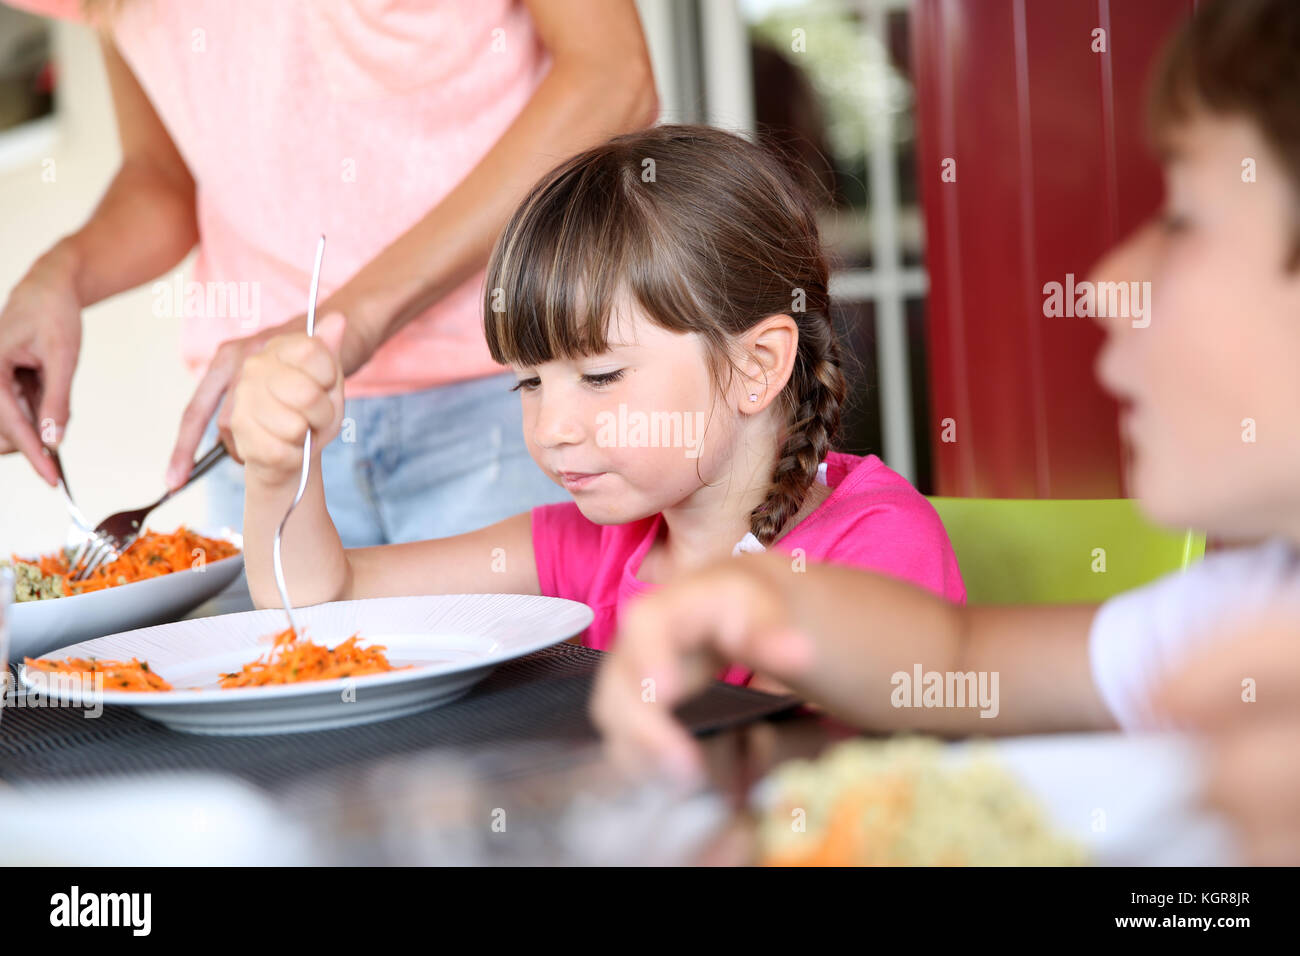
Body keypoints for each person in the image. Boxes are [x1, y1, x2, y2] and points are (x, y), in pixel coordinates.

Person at [588, 0, 1300, 861]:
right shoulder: (1246, 609)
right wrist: (768, 599)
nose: (1108, 281)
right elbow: (957, 659)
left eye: (1184, 217)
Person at [228, 125, 965, 690]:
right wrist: (279, 466)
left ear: (757, 364)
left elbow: (785, 782)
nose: (551, 431)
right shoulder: (594, 542)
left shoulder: (877, 548)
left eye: (602, 376)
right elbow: (325, 600)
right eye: (529, 383)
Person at [0, 0, 657, 545]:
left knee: (527, 702)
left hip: (516, 395)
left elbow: (613, 78)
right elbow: (164, 177)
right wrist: (60, 274)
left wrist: (349, 320)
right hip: (271, 428)